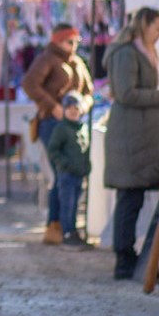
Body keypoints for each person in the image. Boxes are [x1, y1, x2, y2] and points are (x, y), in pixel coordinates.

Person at [102, 8, 159, 280]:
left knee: (134, 199)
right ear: (144, 25)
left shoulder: (138, 51)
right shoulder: (126, 53)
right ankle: (124, 260)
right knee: (129, 198)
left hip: (140, 137)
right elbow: (126, 93)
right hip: (129, 138)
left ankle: (136, 259)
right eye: (157, 28)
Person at [21, 23, 93, 245]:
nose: (73, 46)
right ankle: (62, 228)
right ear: (57, 40)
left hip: (73, 124)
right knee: (64, 174)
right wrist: (53, 106)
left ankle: (58, 226)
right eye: (69, 41)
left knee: (69, 175)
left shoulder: (77, 62)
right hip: (52, 124)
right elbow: (30, 84)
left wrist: (83, 106)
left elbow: (89, 92)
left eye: (76, 42)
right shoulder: (47, 58)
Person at [46, 93, 93, 249]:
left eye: (76, 109)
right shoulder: (61, 128)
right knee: (67, 204)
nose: (73, 111)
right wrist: (63, 164)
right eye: (70, 108)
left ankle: (73, 232)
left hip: (79, 174)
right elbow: (53, 150)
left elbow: (84, 150)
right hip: (66, 174)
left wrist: (86, 166)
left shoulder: (82, 128)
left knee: (75, 205)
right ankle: (67, 233)